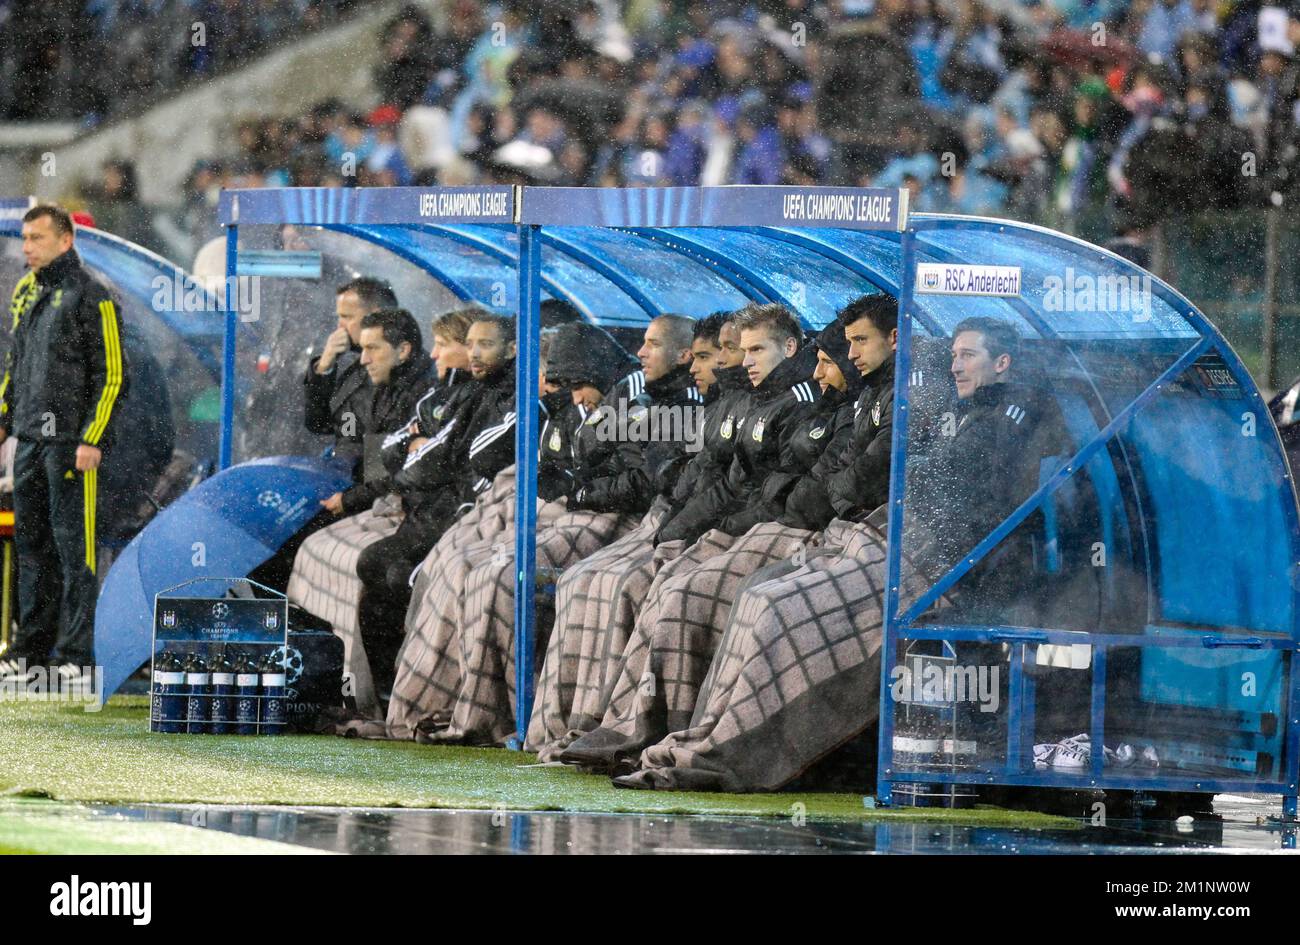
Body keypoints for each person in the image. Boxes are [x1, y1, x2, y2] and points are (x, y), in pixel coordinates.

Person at [614, 316, 1069, 792]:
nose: (955, 366)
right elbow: (870, 473)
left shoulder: (1012, 416)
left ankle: (734, 753)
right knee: (752, 595)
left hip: (948, 567)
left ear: (1003, 363)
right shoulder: (949, 408)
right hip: (881, 538)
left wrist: (885, 479)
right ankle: (694, 739)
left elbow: (912, 479)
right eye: (953, 355)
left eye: (968, 356)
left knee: (776, 607)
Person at [0, 205, 129, 687]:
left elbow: (114, 375)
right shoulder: (25, 291)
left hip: (72, 446)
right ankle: (30, 652)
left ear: (66, 240)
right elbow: (18, 365)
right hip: (30, 441)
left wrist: (92, 438)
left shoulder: (92, 295)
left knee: (77, 550)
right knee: (33, 547)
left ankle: (77, 655)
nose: (27, 247)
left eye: (37, 238)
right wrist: (4, 418)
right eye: (25, 238)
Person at [303, 277, 400, 482]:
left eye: (347, 317)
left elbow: (380, 462)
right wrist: (324, 368)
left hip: (368, 493)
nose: (340, 326)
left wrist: (348, 499)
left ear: (375, 315)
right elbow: (320, 423)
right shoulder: (355, 366)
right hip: (348, 478)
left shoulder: (397, 371)